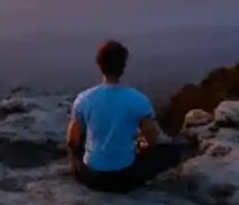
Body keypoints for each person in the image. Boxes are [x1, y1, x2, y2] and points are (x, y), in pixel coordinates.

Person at [66, 40, 189, 193]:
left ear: (99, 65)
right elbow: (153, 139)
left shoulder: (84, 99)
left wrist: (75, 161)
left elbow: (72, 140)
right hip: (124, 179)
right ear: (123, 66)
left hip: (91, 177)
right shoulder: (138, 99)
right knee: (170, 151)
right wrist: (138, 144)